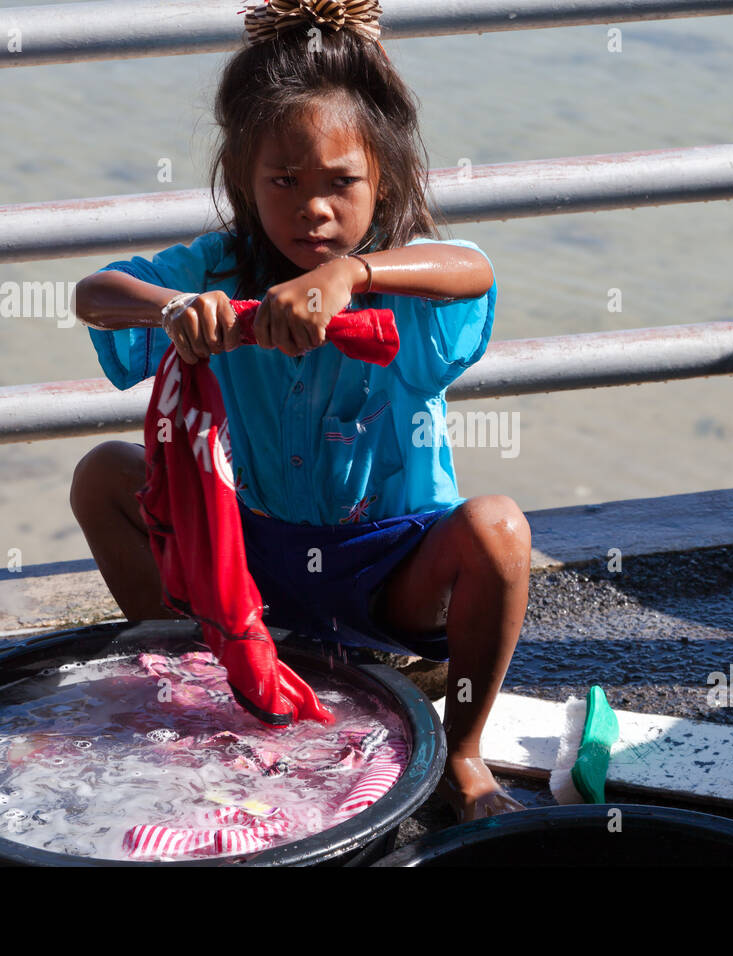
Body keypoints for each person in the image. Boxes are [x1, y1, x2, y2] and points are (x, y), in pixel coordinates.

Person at [70, 0, 527, 821]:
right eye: (283, 182)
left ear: (384, 178)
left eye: (339, 183)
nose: (312, 208)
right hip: (252, 560)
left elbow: (474, 267)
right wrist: (175, 307)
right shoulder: (219, 266)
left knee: (498, 532)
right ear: (242, 182)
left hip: (392, 568)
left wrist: (354, 276)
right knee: (103, 474)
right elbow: (94, 295)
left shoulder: (407, 283)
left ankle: (462, 754)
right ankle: (194, 676)